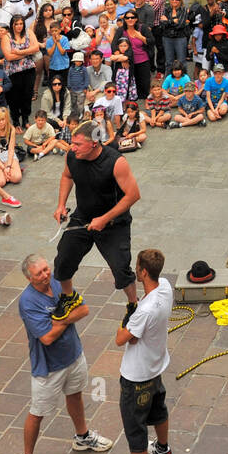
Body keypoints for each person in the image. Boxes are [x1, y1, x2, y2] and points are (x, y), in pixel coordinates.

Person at [16, 253, 114, 454]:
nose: (46, 274)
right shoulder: (28, 302)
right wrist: (66, 318)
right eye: (39, 273)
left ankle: (82, 436)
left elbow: (84, 309)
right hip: (48, 368)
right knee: (37, 413)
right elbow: (47, 338)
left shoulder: (59, 283)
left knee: (75, 395)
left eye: (46, 269)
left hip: (73, 355)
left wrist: (58, 319)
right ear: (29, 278)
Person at [51, 121, 143, 325]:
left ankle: (134, 304)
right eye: (72, 143)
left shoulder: (116, 162)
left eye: (77, 144)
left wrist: (105, 219)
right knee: (63, 261)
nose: (72, 148)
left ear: (94, 143)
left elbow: (133, 195)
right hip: (82, 217)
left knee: (121, 269)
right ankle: (68, 298)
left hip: (113, 223)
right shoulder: (72, 156)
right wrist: (61, 205)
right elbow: (67, 176)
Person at [108, 248, 173, 454]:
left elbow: (121, 339)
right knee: (159, 409)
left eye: (137, 266)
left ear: (143, 271)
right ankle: (164, 449)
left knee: (135, 431)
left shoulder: (143, 311)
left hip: (136, 378)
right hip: (156, 368)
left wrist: (125, 324)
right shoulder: (166, 287)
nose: (136, 269)